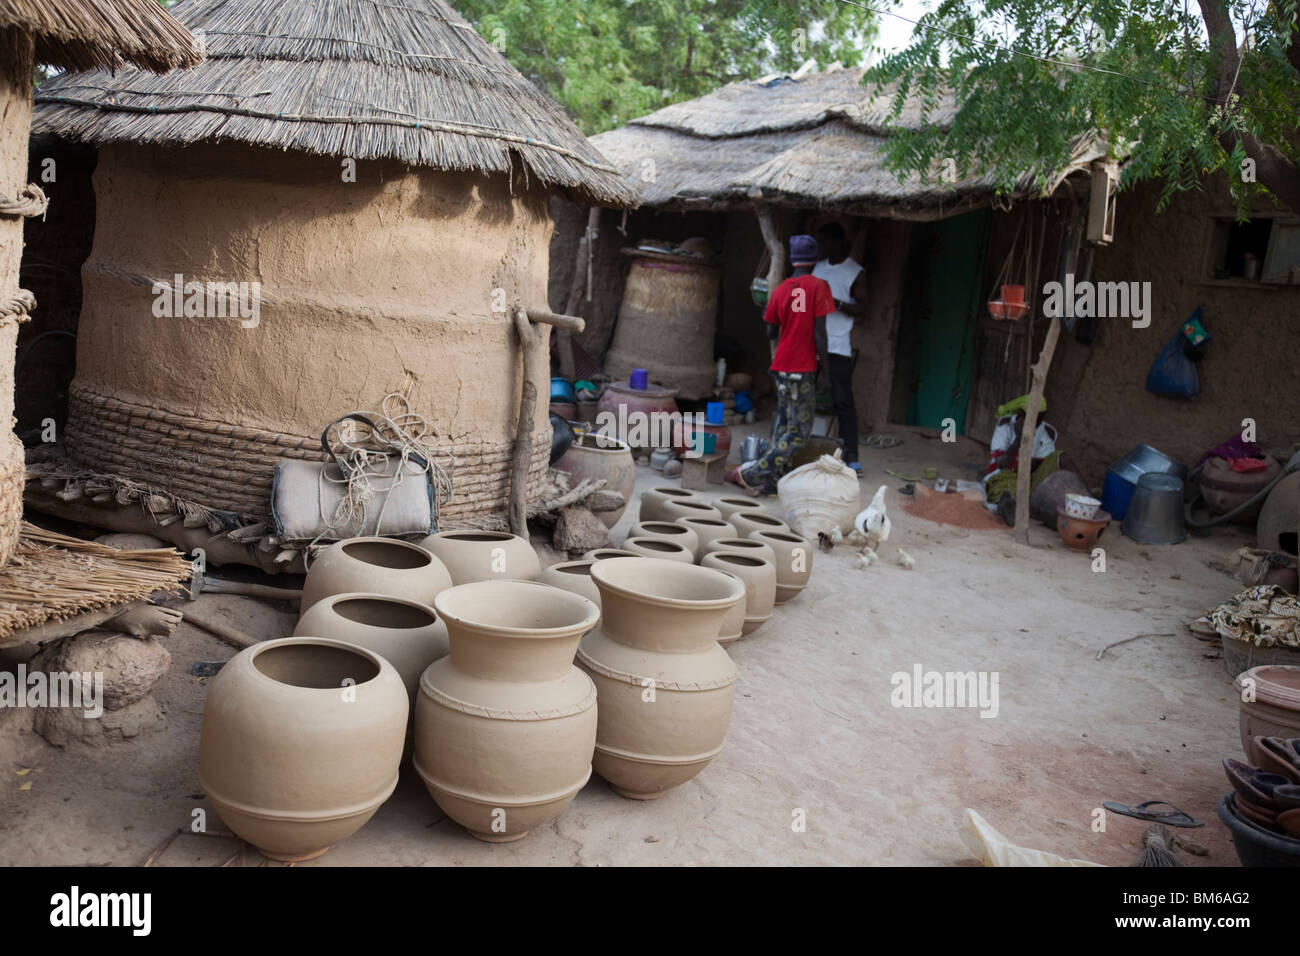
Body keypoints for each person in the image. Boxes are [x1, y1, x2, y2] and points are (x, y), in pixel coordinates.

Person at [729, 234, 834, 495]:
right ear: (816, 258)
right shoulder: (818, 286)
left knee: (784, 426)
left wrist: (789, 325)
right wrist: (826, 368)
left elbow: (770, 333)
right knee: (798, 434)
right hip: (802, 368)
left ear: (793, 259)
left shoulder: (781, 290)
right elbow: (820, 333)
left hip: (781, 367)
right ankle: (752, 473)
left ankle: (773, 483)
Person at [813, 222, 867, 476]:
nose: (820, 248)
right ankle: (804, 449)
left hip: (837, 343)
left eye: (824, 243)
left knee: (843, 401)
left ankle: (851, 456)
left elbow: (863, 308)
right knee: (804, 396)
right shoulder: (817, 268)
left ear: (836, 242)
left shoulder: (855, 272)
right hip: (813, 341)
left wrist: (837, 303)